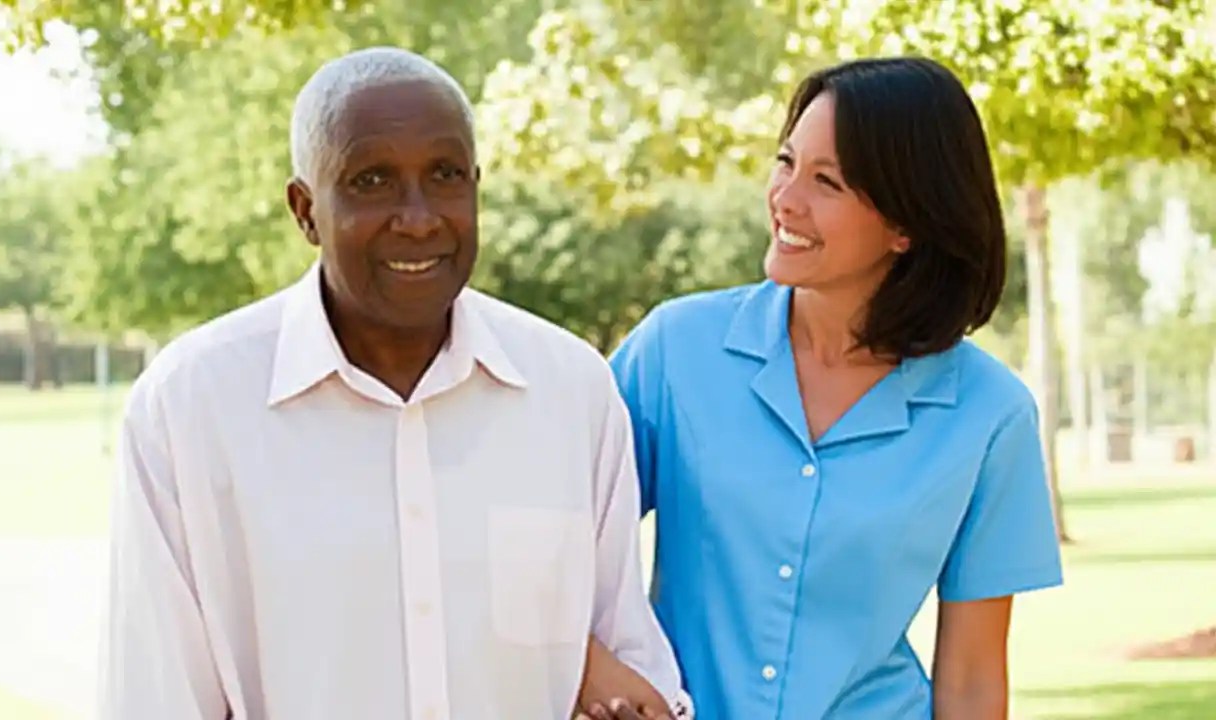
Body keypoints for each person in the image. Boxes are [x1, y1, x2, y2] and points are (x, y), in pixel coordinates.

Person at [98, 47, 690, 720]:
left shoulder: (570, 390)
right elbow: (153, 694)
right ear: (304, 210)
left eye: (444, 175)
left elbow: (625, 657)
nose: (417, 217)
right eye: (371, 180)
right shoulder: (191, 405)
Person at [588, 57, 1065, 718]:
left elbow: (974, 678)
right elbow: (553, 538)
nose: (785, 199)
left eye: (827, 181)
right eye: (786, 163)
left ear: (907, 225)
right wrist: (596, 670)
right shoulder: (675, 351)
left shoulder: (990, 416)